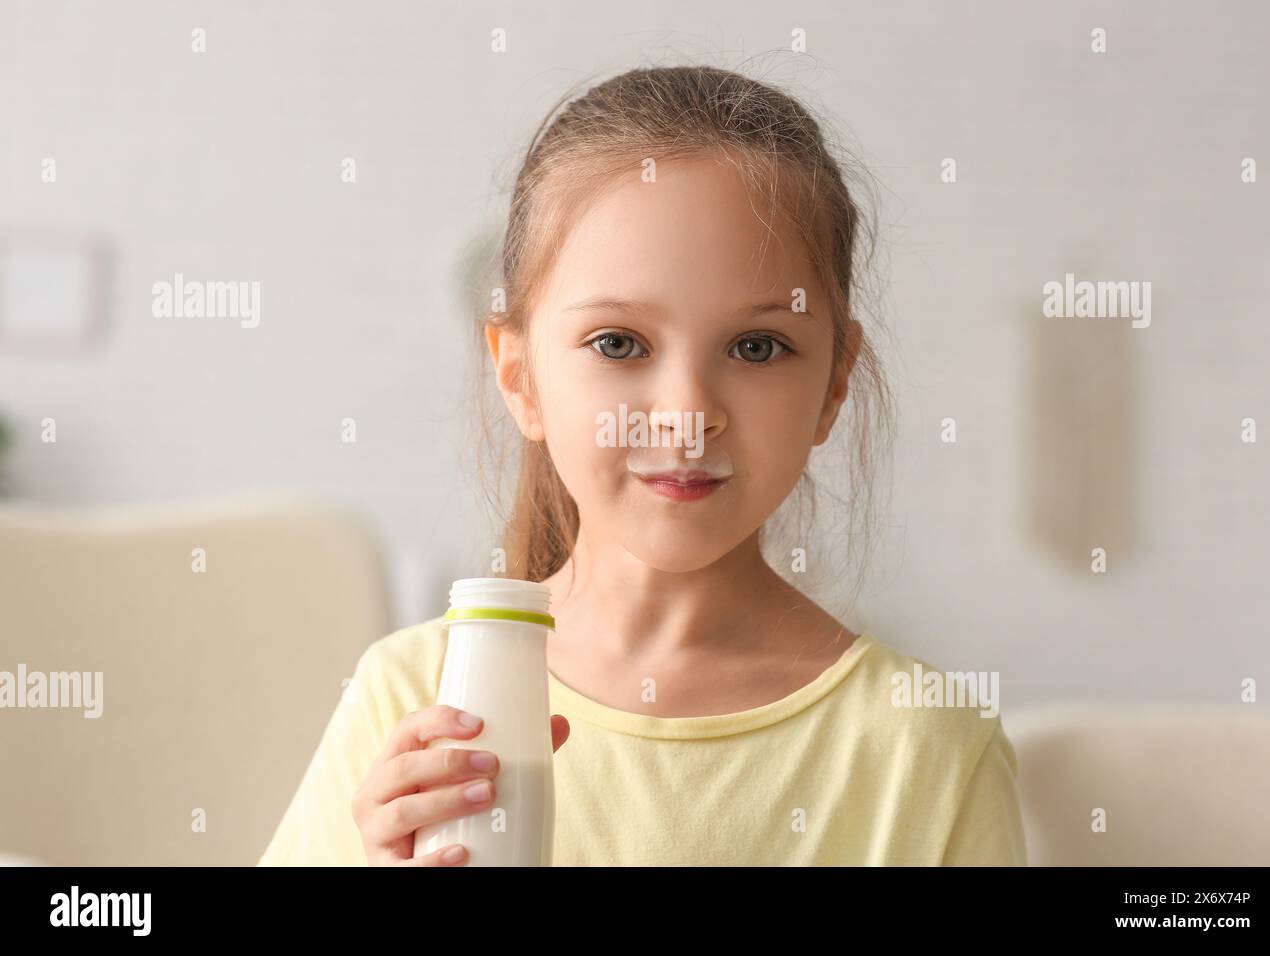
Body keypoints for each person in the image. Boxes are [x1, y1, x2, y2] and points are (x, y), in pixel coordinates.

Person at [258, 64, 1027, 867]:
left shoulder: (926, 746)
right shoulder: (412, 695)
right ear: (520, 378)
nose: (687, 416)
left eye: (757, 347)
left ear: (833, 383)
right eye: (618, 344)